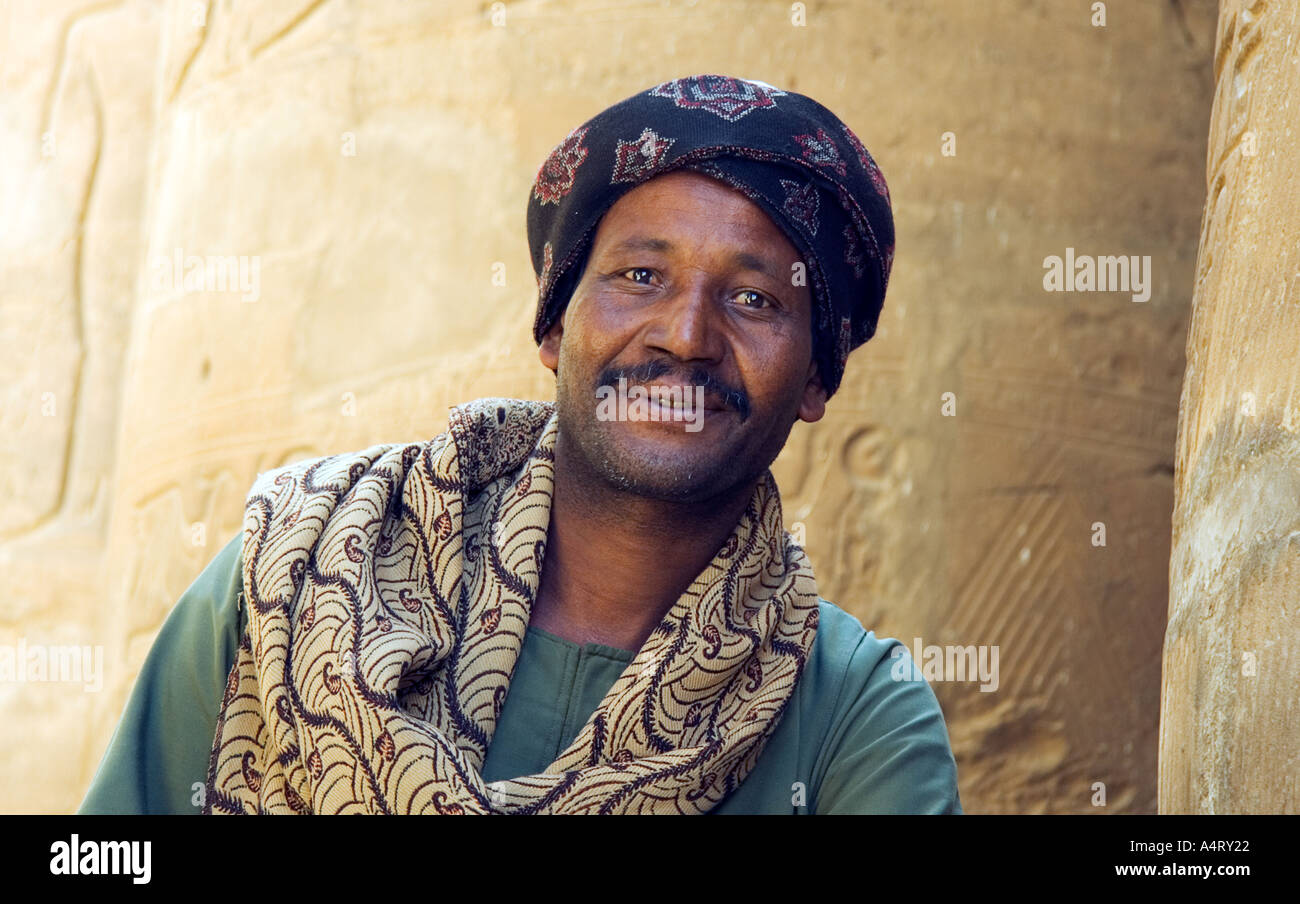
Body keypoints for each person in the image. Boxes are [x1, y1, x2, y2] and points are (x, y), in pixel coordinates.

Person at [79, 74, 961, 815]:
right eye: (640, 276)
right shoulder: (303, 567)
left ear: (816, 379)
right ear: (554, 325)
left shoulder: (854, 719)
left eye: (754, 299)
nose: (686, 336)